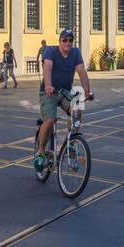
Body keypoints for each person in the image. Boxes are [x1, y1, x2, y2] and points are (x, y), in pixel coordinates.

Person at [35, 29, 94, 174]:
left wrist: (87, 92)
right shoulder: (50, 51)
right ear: (59, 41)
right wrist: (48, 85)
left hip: (65, 92)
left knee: (78, 106)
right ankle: (41, 153)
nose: (68, 43)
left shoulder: (75, 53)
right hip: (49, 92)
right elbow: (47, 67)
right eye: (65, 40)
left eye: (70, 40)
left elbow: (82, 72)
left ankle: (72, 139)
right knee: (49, 121)